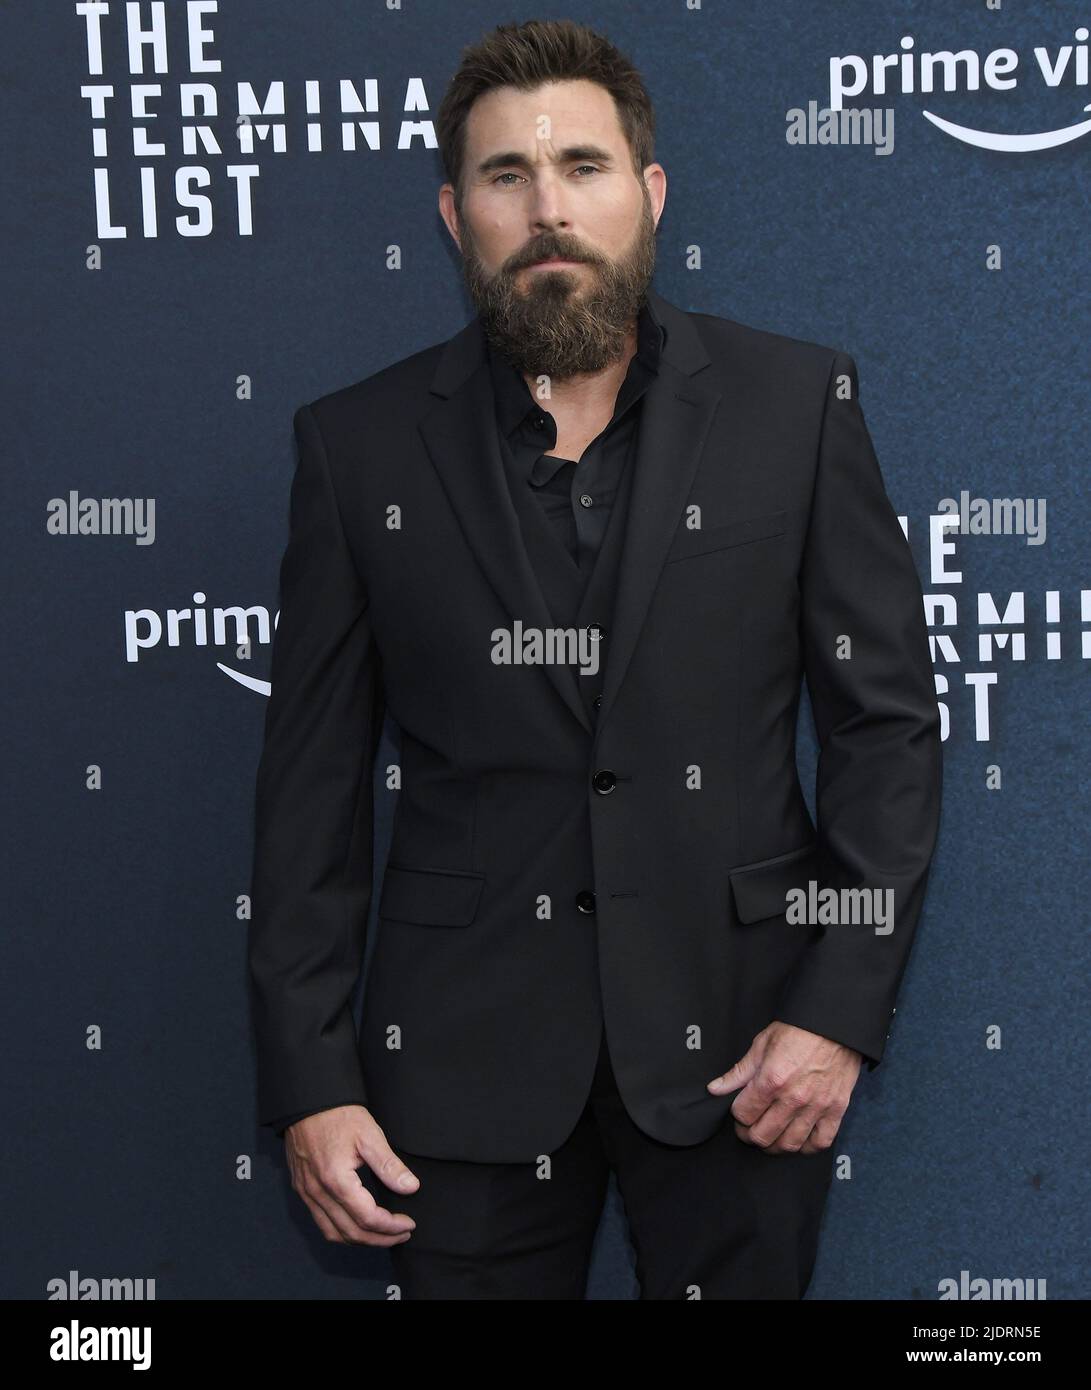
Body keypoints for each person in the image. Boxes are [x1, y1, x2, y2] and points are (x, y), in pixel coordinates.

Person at [248, 18, 943, 1299]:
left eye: (581, 165)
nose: (547, 207)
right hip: (455, 1069)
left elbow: (884, 726)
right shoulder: (358, 450)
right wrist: (312, 1076)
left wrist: (839, 1005)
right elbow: (309, 795)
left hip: (743, 1054)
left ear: (649, 193)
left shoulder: (795, 408)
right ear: (455, 216)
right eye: (505, 175)